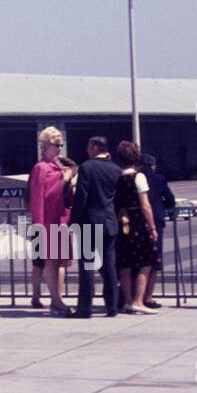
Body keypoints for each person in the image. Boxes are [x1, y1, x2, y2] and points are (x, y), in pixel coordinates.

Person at [25, 127, 76, 317]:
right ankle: (56, 300)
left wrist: (67, 181)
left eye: (61, 144)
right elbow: (39, 197)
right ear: (46, 145)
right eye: (56, 144)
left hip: (60, 218)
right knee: (50, 261)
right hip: (48, 220)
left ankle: (57, 299)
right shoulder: (41, 168)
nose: (60, 148)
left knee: (59, 261)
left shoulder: (57, 166)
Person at [70, 136, 122, 318]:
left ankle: (85, 308)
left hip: (89, 222)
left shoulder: (87, 167)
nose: (86, 150)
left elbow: (81, 197)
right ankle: (112, 306)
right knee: (109, 265)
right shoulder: (116, 169)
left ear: (94, 147)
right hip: (109, 222)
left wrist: (73, 221)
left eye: (88, 147)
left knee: (87, 266)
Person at [113, 141, 160, 315]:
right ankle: (138, 300)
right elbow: (145, 205)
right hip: (137, 222)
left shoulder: (117, 175)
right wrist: (153, 227)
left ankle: (126, 300)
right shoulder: (139, 177)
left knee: (125, 263)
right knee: (145, 262)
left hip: (121, 222)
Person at [140, 154, 176, 309]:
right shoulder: (158, 178)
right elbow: (170, 200)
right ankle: (148, 297)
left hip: (137, 221)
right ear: (152, 165)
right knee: (154, 261)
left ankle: (136, 297)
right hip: (155, 220)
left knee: (138, 260)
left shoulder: (134, 177)